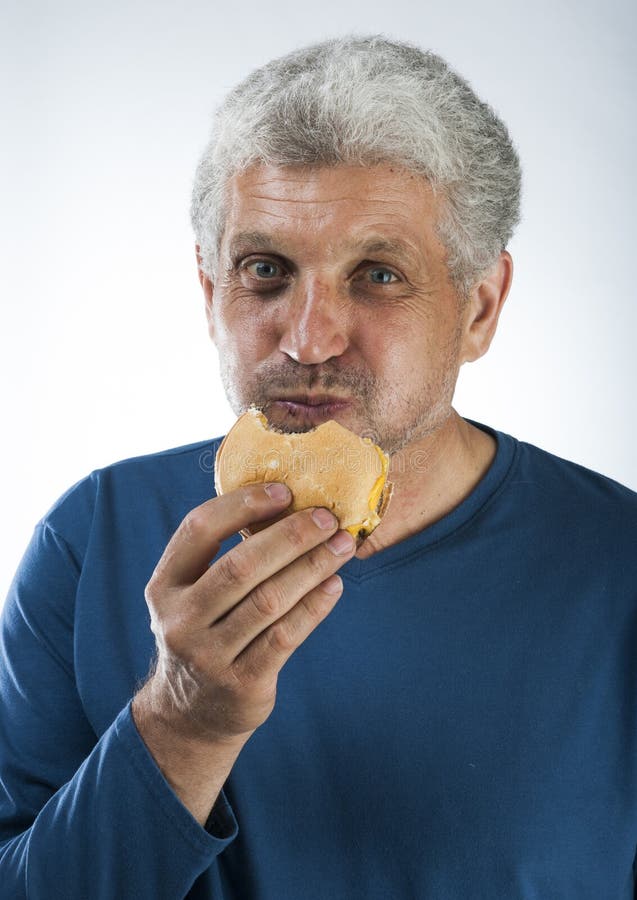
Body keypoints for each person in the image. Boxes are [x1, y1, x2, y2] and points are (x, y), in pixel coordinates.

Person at [0, 34, 635, 900]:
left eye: (376, 275)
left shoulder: (617, 565)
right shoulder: (93, 536)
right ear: (209, 291)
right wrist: (181, 726)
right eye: (264, 271)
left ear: (479, 308)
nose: (307, 340)